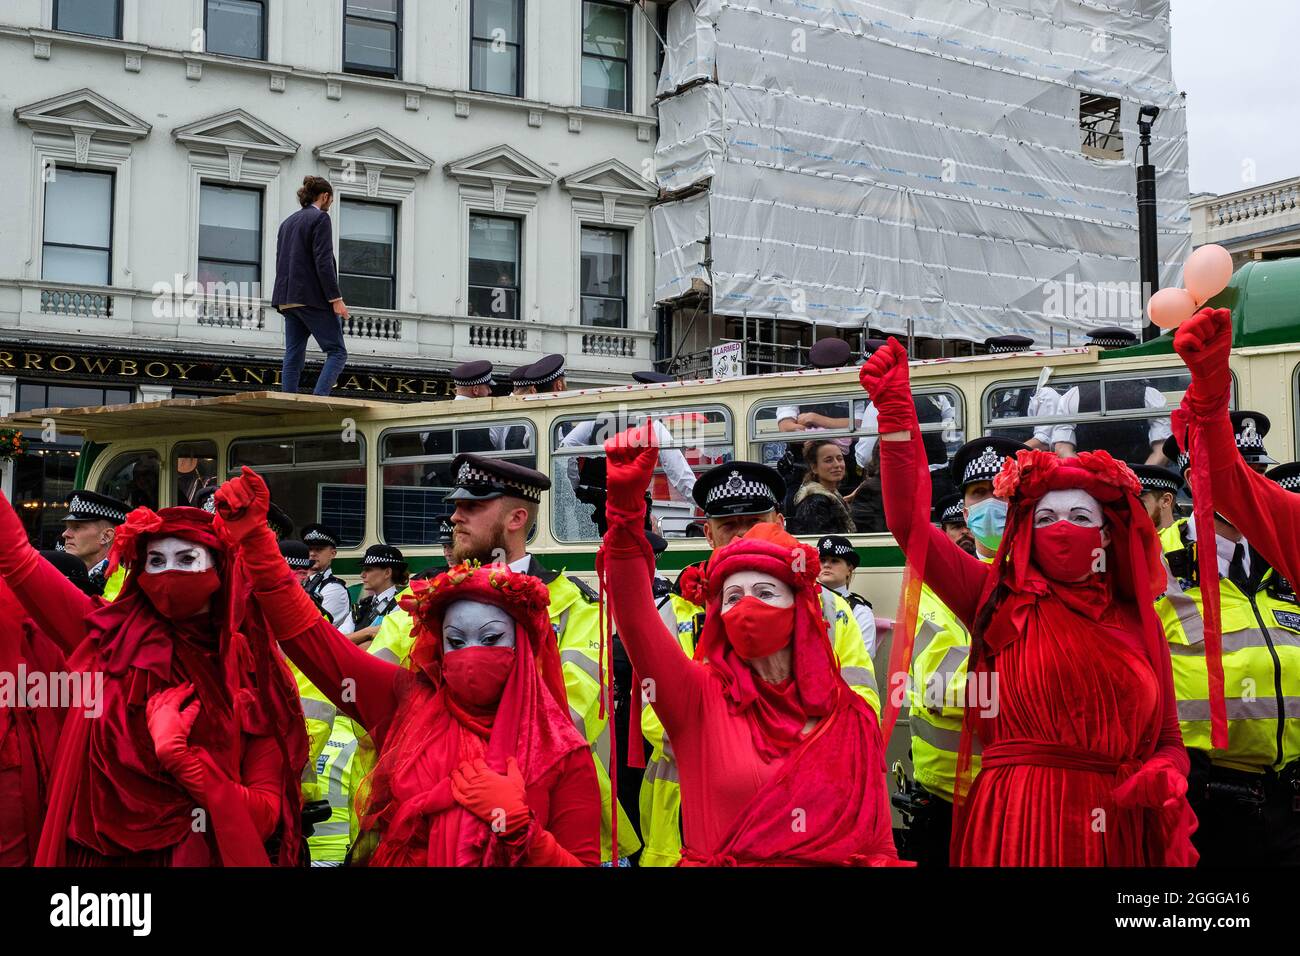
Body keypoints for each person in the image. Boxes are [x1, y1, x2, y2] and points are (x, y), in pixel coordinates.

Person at [862, 337, 1197, 866]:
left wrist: (1166, 772)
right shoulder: (995, 597)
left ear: (1108, 534)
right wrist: (898, 421)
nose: (1062, 529)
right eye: (1046, 519)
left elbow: (1169, 740)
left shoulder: (1139, 617)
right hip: (1021, 822)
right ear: (1027, 532)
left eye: (1080, 518)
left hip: (1117, 826)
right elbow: (909, 527)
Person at [212, 468, 601, 866]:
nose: (455, 518)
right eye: (454, 640)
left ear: (525, 643)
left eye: (490, 639)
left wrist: (524, 832)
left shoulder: (562, 752)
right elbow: (316, 644)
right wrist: (258, 541)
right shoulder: (407, 696)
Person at [598, 424, 905, 865]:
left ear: (779, 524)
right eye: (728, 526)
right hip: (683, 826)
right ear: (708, 534)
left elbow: (862, 722)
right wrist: (624, 514)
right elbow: (633, 616)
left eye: (753, 523)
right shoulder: (686, 645)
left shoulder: (833, 616)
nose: (741, 538)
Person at [0, 491, 308, 865]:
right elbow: (17, 558)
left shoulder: (250, 673)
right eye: (156, 560)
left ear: (220, 569)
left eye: (186, 559)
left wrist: (182, 759)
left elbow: (262, 815)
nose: (168, 574)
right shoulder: (109, 639)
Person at [443, 453, 639, 863]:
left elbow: (571, 717)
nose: (455, 517)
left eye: (472, 507)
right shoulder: (425, 600)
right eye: (457, 506)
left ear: (516, 520)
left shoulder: (576, 606)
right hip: (445, 814)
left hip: (554, 820)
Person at [1163, 306, 1300, 865]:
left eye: (1257, 478)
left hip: (1288, 803)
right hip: (1205, 800)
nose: (1249, 493)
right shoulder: (1153, 559)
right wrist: (1210, 395)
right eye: (1240, 479)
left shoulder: (1280, 556)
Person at [896, 441, 1019, 866]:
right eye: (977, 494)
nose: (990, 504)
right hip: (950, 800)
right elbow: (940, 685)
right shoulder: (932, 590)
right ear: (965, 511)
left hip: (1031, 799)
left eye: (999, 492)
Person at [272, 175, 349, 396]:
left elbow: (282, 260)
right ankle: (318, 399)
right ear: (324, 196)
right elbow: (322, 261)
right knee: (337, 352)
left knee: (293, 354)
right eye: (331, 201)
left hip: (286, 299)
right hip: (310, 298)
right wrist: (336, 299)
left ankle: (288, 398)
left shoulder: (287, 222)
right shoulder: (321, 219)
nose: (330, 206)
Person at [58, 490, 128, 597]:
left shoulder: (126, 583)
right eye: (67, 527)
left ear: (106, 536)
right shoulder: (63, 573)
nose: (65, 534)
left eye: (77, 527)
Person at [815, 535, 875, 655]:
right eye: (822, 560)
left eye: (835, 561)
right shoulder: (806, 602)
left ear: (849, 569)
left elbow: (864, 657)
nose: (826, 565)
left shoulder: (859, 611)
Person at [788, 439, 855, 535]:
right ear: (814, 467)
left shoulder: (832, 495)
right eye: (829, 460)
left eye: (840, 459)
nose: (837, 465)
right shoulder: (815, 502)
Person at [302, 523, 354, 633]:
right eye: (309, 549)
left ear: (333, 553)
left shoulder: (334, 589)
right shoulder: (302, 582)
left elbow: (316, 629)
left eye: (319, 549)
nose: (312, 554)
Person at [351, 544, 408, 644]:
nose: (362, 575)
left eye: (368, 569)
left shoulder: (401, 606)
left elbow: (381, 646)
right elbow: (338, 638)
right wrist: (367, 633)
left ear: (387, 573)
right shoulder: (363, 605)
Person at [1129, 463, 1183, 532]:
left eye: (1140, 502)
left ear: (1166, 501)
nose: (1131, 509)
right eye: (1128, 502)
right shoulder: (1123, 539)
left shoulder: (1193, 539)